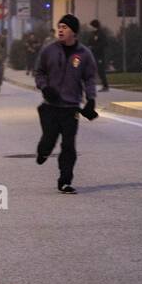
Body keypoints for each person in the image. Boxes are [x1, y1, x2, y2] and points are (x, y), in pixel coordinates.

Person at [32, 14, 98, 194]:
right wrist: (45, 88)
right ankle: (43, 152)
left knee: (69, 146)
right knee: (48, 140)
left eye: (65, 27)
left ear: (74, 32)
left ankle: (65, 181)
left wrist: (91, 100)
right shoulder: (49, 50)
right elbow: (39, 72)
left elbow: (90, 78)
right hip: (50, 106)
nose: (60, 30)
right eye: (59, 26)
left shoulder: (84, 54)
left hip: (71, 108)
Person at [87, 19, 112, 91]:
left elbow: (105, 43)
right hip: (93, 55)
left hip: (100, 55)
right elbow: (89, 42)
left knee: (101, 70)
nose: (90, 28)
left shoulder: (101, 34)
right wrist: (89, 47)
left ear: (94, 26)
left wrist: (95, 48)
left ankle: (105, 86)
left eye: (91, 26)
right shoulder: (92, 34)